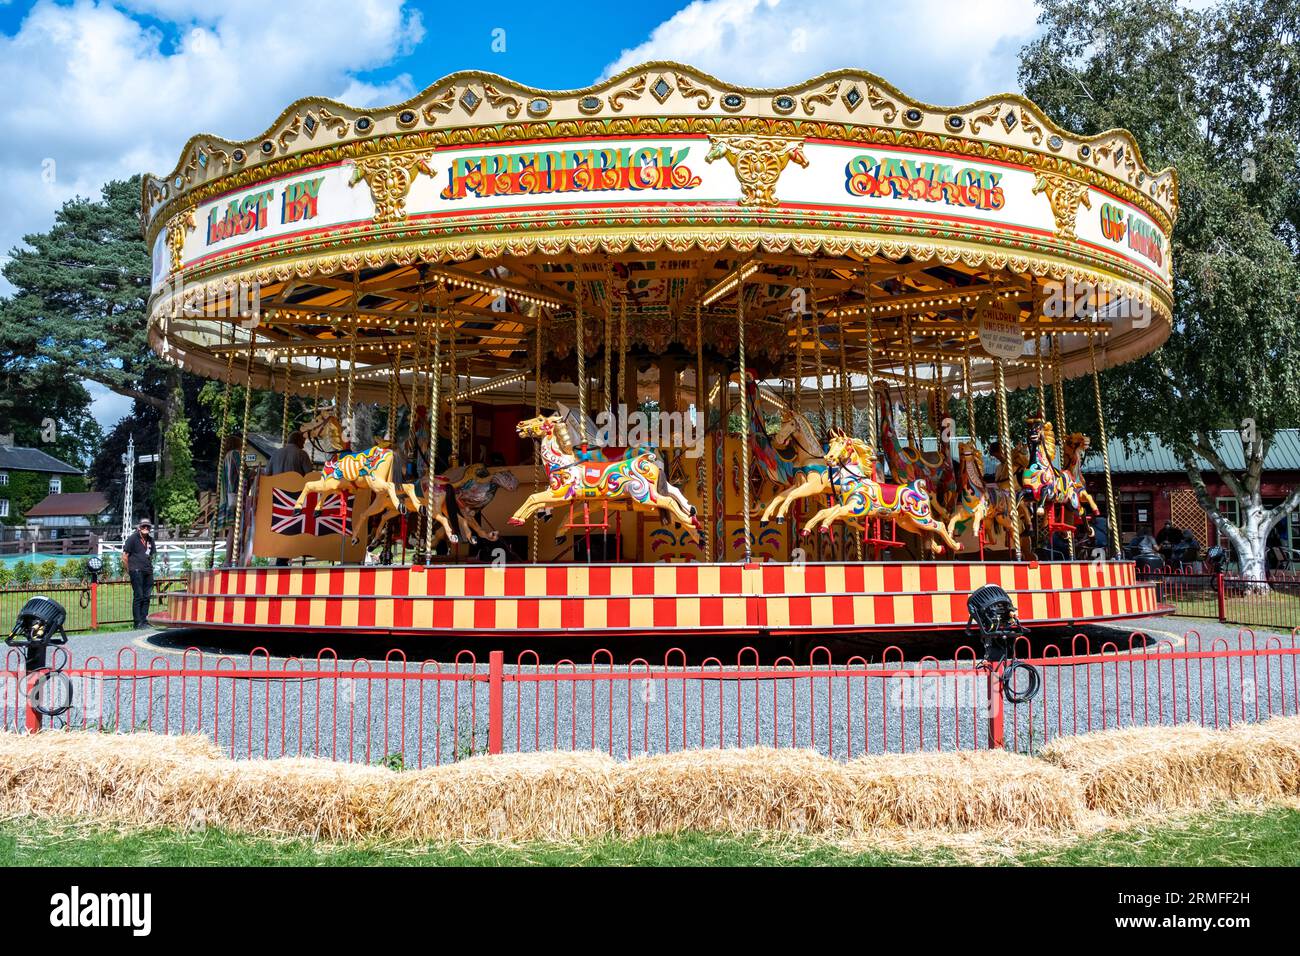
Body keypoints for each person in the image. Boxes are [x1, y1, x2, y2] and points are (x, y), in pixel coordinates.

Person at [265, 432, 313, 566]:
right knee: (293, 527)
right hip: (294, 496)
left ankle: (281, 555)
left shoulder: (275, 454)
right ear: (298, 441)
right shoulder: (301, 454)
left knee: (279, 525)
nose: (303, 445)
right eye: (303, 442)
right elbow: (310, 475)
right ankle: (286, 555)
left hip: (277, 496)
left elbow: (267, 474)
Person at [123, 518, 157, 628]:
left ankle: (144, 620)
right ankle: (137, 623)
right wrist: (129, 570)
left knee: (147, 596)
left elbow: (151, 555)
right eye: (143, 526)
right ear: (139, 527)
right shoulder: (132, 538)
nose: (146, 528)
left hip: (148, 571)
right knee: (139, 596)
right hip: (136, 571)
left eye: (148, 526)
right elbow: (124, 556)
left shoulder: (151, 540)